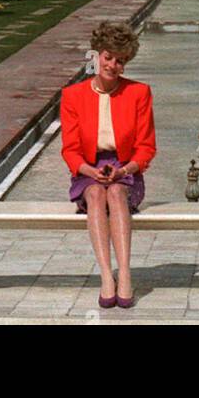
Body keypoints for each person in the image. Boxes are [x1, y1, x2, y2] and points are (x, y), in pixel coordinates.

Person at [60, 20, 156, 310]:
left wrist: (124, 170)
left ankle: (124, 273)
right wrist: (89, 171)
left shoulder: (139, 92)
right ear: (97, 55)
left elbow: (146, 148)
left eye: (121, 60)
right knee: (95, 193)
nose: (113, 65)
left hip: (126, 171)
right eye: (109, 57)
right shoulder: (73, 95)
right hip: (88, 169)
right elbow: (70, 149)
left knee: (115, 193)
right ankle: (106, 275)